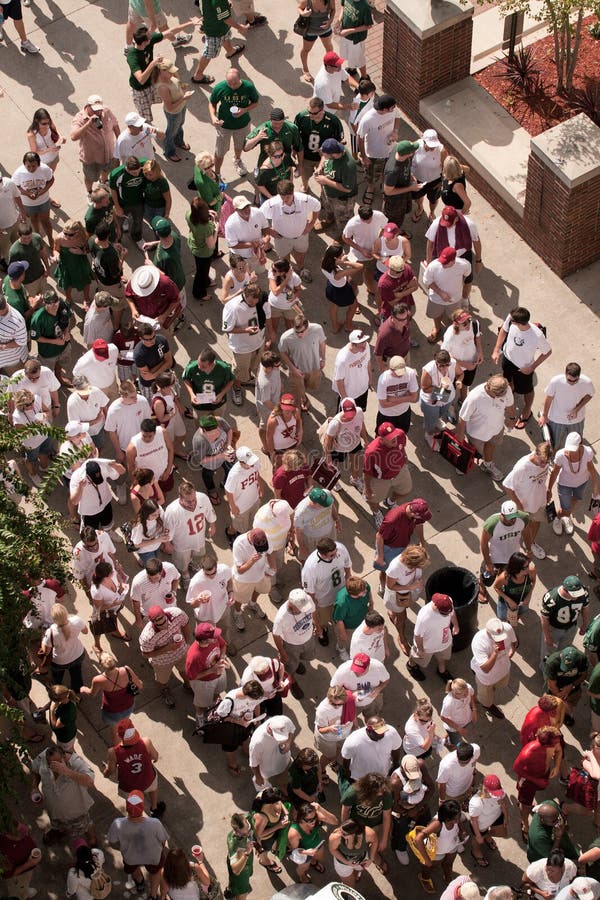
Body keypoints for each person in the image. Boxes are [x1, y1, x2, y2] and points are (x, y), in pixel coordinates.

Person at [127, 20, 199, 123]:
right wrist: (153, 63)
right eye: (149, 35)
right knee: (146, 118)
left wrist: (191, 23)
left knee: (170, 99)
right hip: (140, 90)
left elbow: (170, 32)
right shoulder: (132, 56)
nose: (151, 35)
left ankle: (171, 114)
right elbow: (141, 79)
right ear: (144, 42)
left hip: (152, 82)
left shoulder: (149, 41)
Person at [492, 305, 552, 429]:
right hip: (508, 360)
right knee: (508, 382)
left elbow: (548, 352)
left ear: (519, 323)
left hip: (524, 368)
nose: (509, 320)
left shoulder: (537, 335)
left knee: (527, 390)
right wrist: (496, 350)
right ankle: (510, 394)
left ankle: (527, 411)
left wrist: (532, 367)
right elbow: (503, 330)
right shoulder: (511, 318)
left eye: (512, 321)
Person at [30, 745, 96, 845]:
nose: (54, 767)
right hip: (54, 811)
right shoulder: (42, 758)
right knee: (57, 825)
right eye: (51, 764)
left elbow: (90, 782)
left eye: (58, 763)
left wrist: (67, 771)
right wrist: (35, 787)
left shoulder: (76, 762)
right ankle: (59, 832)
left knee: (85, 826)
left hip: (76, 813)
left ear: (64, 757)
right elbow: (35, 772)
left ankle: (92, 839)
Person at [108, 789, 169, 897]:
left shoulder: (117, 823)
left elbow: (112, 841)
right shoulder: (154, 823)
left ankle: (140, 883)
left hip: (131, 857)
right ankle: (153, 895)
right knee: (155, 871)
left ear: (127, 806)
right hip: (153, 857)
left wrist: (124, 848)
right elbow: (163, 840)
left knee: (133, 868)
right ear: (142, 808)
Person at [502, 441, 553, 560]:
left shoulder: (544, 461)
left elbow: (543, 477)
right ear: (535, 453)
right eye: (542, 462)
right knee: (525, 526)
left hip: (539, 500)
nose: (544, 465)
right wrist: (518, 505)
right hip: (525, 505)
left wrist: (547, 490)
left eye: (547, 462)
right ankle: (526, 543)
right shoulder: (522, 467)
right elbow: (507, 485)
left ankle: (530, 543)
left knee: (536, 523)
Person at [103, 718, 164, 817]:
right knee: (153, 789)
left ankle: (135, 815)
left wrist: (106, 773)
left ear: (119, 735)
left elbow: (111, 770)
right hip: (148, 778)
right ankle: (154, 808)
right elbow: (155, 756)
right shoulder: (146, 742)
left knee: (131, 801)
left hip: (129, 787)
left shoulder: (113, 752)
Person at [80, 652, 143, 744]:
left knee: (115, 732)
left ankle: (118, 750)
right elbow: (140, 685)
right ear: (113, 660)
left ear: (101, 664)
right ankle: (129, 742)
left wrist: (83, 689)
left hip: (112, 711)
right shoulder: (126, 670)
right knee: (125, 723)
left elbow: (92, 694)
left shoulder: (98, 680)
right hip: (128, 706)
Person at [262, 180, 320, 281]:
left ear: (293, 192)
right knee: (284, 258)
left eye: (287, 197)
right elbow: (259, 217)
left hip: (301, 236)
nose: (285, 200)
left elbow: (317, 206)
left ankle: (301, 269)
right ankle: (288, 272)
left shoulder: (304, 199)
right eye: (282, 197)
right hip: (281, 238)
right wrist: (270, 231)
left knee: (301, 254)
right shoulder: (271, 204)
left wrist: (311, 224)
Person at [163, 480, 217, 586]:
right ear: (180, 498)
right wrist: (167, 544)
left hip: (199, 538)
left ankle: (193, 564)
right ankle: (185, 574)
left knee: (199, 555)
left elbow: (209, 512)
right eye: (188, 501)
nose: (192, 503)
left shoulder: (203, 498)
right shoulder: (172, 511)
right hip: (181, 543)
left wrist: (212, 525)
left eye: (194, 499)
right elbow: (167, 531)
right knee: (182, 562)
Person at [222, 282, 268, 404]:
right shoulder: (233, 307)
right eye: (251, 301)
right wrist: (245, 330)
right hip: (242, 348)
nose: (254, 303)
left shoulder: (260, 300)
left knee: (254, 367)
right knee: (239, 371)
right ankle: (236, 387)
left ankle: (247, 379)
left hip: (258, 343)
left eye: (256, 300)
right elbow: (226, 328)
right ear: (245, 294)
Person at [514, 727, 564, 840]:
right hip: (528, 780)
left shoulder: (553, 741)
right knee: (525, 803)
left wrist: (556, 766)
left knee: (528, 800)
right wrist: (537, 781)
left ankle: (523, 802)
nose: (558, 743)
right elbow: (517, 768)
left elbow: (559, 750)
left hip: (542, 775)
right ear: (546, 745)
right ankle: (525, 824)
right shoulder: (529, 752)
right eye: (556, 742)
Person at [208, 67, 258, 178]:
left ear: (240, 79)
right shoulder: (220, 87)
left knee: (240, 145)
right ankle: (217, 173)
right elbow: (212, 103)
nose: (232, 86)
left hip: (242, 124)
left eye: (234, 83)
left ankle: (237, 159)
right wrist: (213, 116)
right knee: (219, 151)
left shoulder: (248, 87)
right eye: (229, 83)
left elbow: (255, 102)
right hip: (224, 125)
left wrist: (244, 110)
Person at [377, 501, 431, 602]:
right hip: (389, 548)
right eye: (421, 517)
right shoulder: (392, 519)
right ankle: (382, 586)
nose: (422, 520)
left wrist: (422, 540)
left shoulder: (416, 509)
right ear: (414, 514)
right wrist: (380, 556)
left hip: (404, 545)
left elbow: (419, 524)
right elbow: (379, 536)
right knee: (385, 571)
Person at [138, 604, 191, 707]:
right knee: (163, 680)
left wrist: (187, 642)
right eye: (159, 624)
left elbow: (185, 624)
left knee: (185, 671)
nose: (164, 626)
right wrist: (167, 648)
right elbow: (145, 654)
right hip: (162, 661)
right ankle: (165, 691)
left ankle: (188, 686)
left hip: (181, 653)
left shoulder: (177, 614)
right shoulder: (147, 636)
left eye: (164, 621)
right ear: (152, 622)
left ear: (165, 614)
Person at [425, 205, 482, 299]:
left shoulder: (469, 224)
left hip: (462, 254)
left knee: (468, 280)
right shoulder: (436, 223)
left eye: (449, 223)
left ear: (456, 219)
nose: (446, 226)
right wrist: (428, 261)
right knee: (438, 277)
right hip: (442, 254)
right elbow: (430, 243)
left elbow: (476, 242)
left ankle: (464, 299)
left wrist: (478, 261)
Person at [549, 432, 599, 535]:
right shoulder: (560, 455)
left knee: (575, 500)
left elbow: (591, 469)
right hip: (564, 485)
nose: (570, 452)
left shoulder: (588, 452)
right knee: (565, 508)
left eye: (573, 449)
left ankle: (566, 517)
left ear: (580, 445)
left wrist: (595, 487)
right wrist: (548, 489)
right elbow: (554, 472)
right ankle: (558, 518)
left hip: (581, 483)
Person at [479, 502, 531, 601]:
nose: (512, 520)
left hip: (512, 556)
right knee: (487, 579)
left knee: (506, 577)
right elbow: (483, 543)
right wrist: (488, 563)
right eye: (509, 517)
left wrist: (529, 549)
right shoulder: (492, 524)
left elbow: (526, 533)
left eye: (514, 517)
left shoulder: (523, 518)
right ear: (502, 514)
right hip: (495, 556)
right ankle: (481, 586)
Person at [272, 588, 317, 700]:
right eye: (300, 609)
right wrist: (282, 653)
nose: (304, 610)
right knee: (289, 667)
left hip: (309, 638)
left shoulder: (306, 600)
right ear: (291, 605)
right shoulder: (281, 617)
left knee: (305, 657)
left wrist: (318, 625)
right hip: (292, 645)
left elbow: (313, 611)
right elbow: (276, 634)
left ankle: (297, 664)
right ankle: (292, 681)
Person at [413, 800, 465, 894]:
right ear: (446, 818)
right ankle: (424, 877)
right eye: (455, 819)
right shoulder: (437, 824)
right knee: (431, 866)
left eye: (459, 816)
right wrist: (427, 860)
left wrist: (461, 831)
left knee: (449, 864)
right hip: (437, 851)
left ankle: (448, 878)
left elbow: (458, 823)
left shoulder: (456, 818)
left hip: (452, 846)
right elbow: (418, 839)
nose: (458, 821)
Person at [190, 0, 248, 86]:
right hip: (215, 30)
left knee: (225, 36)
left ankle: (230, 51)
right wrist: (240, 27)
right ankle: (198, 76)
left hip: (216, 24)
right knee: (208, 53)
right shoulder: (219, 1)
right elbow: (226, 18)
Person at [470, 617, 518, 719]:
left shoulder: (507, 628)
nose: (501, 639)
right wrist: (495, 653)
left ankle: (491, 692)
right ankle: (487, 705)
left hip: (504, 671)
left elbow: (514, 641)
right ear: (488, 632)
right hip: (486, 679)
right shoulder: (479, 642)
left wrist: (512, 650)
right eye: (497, 637)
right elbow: (485, 669)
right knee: (486, 699)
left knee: (501, 685)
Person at [185, 622, 229, 733]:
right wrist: (211, 670)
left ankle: (213, 708)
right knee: (201, 703)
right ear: (204, 641)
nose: (216, 636)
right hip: (203, 683)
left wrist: (221, 659)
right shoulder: (194, 656)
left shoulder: (214, 637)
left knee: (217, 693)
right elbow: (191, 676)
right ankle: (200, 718)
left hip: (219, 674)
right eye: (213, 636)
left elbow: (223, 645)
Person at [539, 362, 595, 450]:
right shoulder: (556, 381)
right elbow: (548, 398)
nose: (572, 383)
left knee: (576, 444)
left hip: (577, 420)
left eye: (575, 380)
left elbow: (590, 395)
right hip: (556, 420)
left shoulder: (587, 382)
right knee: (554, 444)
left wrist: (577, 409)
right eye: (569, 380)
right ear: (565, 374)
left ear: (579, 376)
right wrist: (544, 415)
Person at [363, 421, 411, 520]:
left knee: (406, 490)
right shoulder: (372, 452)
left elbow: (402, 446)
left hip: (400, 470)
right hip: (381, 479)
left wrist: (404, 455)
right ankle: (376, 513)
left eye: (394, 436)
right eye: (390, 439)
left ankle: (390, 502)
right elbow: (367, 473)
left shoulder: (400, 434)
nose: (394, 440)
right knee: (373, 500)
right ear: (381, 439)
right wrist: (368, 488)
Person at [294, 96, 344, 191]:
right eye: (309, 111)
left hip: (324, 157)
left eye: (314, 113)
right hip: (305, 155)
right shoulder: (301, 117)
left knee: (323, 178)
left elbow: (338, 140)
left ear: (322, 110)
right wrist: (295, 150)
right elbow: (295, 135)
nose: (310, 115)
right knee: (305, 175)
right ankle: (305, 186)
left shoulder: (333, 121)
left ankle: (323, 193)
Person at [540, 576, 590, 670]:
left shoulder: (583, 592)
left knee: (565, 650)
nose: (577, 596)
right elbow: (544, 618)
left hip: (571, 627)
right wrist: (547, 636)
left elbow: (585, 608)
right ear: (565, 589)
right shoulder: (552, 597)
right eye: (574, 594)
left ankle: (560, 666)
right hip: (554, 629)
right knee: (548, 653)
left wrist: (585, 624)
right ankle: (546, 672)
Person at [407, 592, 458, 683]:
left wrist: (456, 625)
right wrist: (420, 649)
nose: (447, 615)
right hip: (427, 647)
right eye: (444, 614)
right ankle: (411, 665)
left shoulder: (448, 602)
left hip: (444, 642)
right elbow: (418, 636)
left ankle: (442, 671)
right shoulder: (424, 617)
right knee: (417, 658)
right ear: (436, 606)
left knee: (442, 659)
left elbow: (452, 613)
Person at [279, 314, 326, 411]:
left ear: (307, 326)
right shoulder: (286, 337)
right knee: (298, 389)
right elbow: (282, 352)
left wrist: (323, 358)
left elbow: (322, 343)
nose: (299, 334)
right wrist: (293, 369)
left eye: (301, 332)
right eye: (296, 332)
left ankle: (304, 394)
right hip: (297, 370)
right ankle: (303, 399)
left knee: (311, 385)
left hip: (314, 367)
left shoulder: (317, 329)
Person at [420, 347, 463, 448]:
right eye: (441, 366)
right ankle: (429, 435)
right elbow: (424, 388)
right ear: (436, 362)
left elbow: (461, 374)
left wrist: (459, 381)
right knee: (430, 420)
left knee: (441, 413)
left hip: (447, 396)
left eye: (447, 365)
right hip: (431, 400)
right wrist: (439, 388)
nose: (444, 368)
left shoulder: (453, 363)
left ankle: (436, 420)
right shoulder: (429, 370)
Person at [41, 604, 88, 695]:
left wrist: (43, 641)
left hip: (59, 662)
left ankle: (59, 692)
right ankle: (77, 692)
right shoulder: (76, 620)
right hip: (78, 655)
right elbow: (85, 632)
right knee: (76, 675)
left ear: (54, 619)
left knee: (57, 677)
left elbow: (46, 652)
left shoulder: (50, 632)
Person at [342, 204, 388, 296]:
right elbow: (345, 238)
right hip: (357, 256)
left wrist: (377, 242)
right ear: (360, 217)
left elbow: (385, 228)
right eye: (365, 220)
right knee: (353, 280)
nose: (368, 221)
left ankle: (371, 289)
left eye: (370, 218)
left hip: (374, 253)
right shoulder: (352, 223)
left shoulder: (379, 215)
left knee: (371, 274)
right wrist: (362, 250)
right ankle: (354, 301)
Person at [314, 138, 358, 235]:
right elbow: (324, 157)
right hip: (329, 192)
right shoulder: (334, 151)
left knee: (344, 219)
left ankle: (345, 236)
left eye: (325, 154)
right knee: (328, 207)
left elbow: (347, 188)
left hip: (343, 199)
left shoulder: (348, 166)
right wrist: (320, 167)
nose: (323, 155)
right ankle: (330, 220)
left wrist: (325, 180)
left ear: (333, 154)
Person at [287, 801, 338, 882]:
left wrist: (320, 809)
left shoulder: (315, 817)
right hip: (305, 852)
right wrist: (306, 852)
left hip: (317, 844)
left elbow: (335, 821)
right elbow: (295, 851)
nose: (313, 821)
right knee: (303, 867)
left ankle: (313, 862)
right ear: (301, 819)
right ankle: (302, 876)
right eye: (309, 820)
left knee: (319, 857)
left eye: (314, 818)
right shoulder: (294, 833)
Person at [152, 60, 192, 162]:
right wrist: (184, 98)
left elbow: (178, 81)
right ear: (161, 71)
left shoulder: (169, 77)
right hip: (174, 112)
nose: (172, 73)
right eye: (170, 71)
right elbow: (169, 107)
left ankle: (179, 142)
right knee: (171, 132)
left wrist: (182, 86)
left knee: (180, 124)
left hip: (181, 107)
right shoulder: (163, 87)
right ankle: (169, 152)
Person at [191, 414, 235, 503]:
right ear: (203, 430)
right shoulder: (199, 441)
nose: (216, 435)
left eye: (217, 430)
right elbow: (201, 460)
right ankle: (211, 491)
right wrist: (220, 456)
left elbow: (229, 430)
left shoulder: (220, 421)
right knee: (208, 475)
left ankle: (225, 483)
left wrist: (229, 445)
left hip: (224, 454)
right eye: (212, 433)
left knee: (231, 470)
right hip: (210, 464)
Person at [12, 152, 54, 246]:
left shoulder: (44, 169)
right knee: (33, 220)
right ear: (24, 164)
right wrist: (27, 194)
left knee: (45, 221)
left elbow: (51, 180)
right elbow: (16, 186)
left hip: (43, 201)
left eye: (34, 166)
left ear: (38, 164)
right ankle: (38, 237)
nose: (31, 169)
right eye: (28, 166)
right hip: (28, 204)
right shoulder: (18, 173)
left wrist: (42, 192)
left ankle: (51, 239)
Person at [341, 716, 401, 781]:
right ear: (368, 730)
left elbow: (396, 748)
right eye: (378, 733)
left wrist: (395, 764)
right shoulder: (353, 741)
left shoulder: (391, 732)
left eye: (383, 731)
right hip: (361, 777)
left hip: (384, 773)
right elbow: (346, 758)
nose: (382, 734)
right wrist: (347, 772)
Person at [331, 652, 389, 718]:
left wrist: (378, 689)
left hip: (373, 701)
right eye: (355, 669)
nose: (357, 673)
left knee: (372, 719)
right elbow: (333, 690)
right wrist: (351, 694)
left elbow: (386, 680)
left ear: (368, 666)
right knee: (348, 722)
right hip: (351, 704)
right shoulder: (343, 670)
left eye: (361, 671)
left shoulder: (378, 667)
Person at [441, 308, 483, 401]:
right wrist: (465, 365)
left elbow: (477, 337)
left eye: (468, 320)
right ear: (456, 324)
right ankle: (448, 407)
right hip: (456, 368)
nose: (468, 325)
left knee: (466, 384)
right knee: (449, 390)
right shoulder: (450, 336)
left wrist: (480, 352)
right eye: (464, 323)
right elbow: (445, 356)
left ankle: (463, 399)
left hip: (472, 363)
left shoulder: (475, 324)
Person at [320, 241, 362, 334]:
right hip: (342, 291)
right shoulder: (338, 273)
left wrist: (339, 258)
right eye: (342, 253)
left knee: (334, 307)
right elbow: (359, 266)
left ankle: (335, 327)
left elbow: (332, 245)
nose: (344, 253)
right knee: (353, 306)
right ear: (336, 258)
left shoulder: (324, 261)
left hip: (331, 287)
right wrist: (344, 261)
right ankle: (348, 326)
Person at [544, 645, 589, 726]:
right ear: (561, 655)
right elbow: (551, 685)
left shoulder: (582, 659)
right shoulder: (552, 662)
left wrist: (571, 685)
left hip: (573, 689)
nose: (567, 669)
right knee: (554, 706)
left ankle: (566, 715)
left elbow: (584, 675)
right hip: (556, 690)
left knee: (570, 704)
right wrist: (560, 696)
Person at [126, 266, 181, 331]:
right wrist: (133, 310)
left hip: (162, 319)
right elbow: (128, 296)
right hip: (144, 319)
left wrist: (164, 316)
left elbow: (176, 300)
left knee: (167, 332)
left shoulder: (166, 283)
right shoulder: (133, 283)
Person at [295, 488, 341, 565]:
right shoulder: (301, 512)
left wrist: (337, 519)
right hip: (313, 540)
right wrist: (302, 547)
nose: (326, 505)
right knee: (309, 557)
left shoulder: (326, 494)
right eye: (323, 504)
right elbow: (298, 531)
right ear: (314, 503)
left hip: (329, 533)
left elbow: (332, 506)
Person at [249, 717, 296, 793]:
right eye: (278, 736)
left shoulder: (284, 720)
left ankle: (283, 787)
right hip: (268, 770)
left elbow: (291, 730)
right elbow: (253, 763)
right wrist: (258, 777)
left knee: (284, 780)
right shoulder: (257, 742)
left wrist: (288, 743)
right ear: (269, 729)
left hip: (284, 761)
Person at [109, 155, 146, 249]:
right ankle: (118, 241)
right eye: (134, 172)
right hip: (122, 204)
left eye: (138, 171)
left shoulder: (144, 164)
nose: (137, 174)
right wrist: (117, 207)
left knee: (138, 221)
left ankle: (137, 238)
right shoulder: (116, 174)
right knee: (117, 224)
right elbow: (113, 191)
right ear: (127, 169)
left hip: (138, 201)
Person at [183, 348, 234, 414]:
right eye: (198, 363)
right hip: (199, 404)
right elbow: (186, 379)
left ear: (212, 364)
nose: (199, 368)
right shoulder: (192, 367)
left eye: (203, 366)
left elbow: (231, 380)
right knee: (200, 422)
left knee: (218, 422)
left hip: (218, 403)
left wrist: (222, 394)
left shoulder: (224, 369)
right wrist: (192, 394)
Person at [328, 819, 378, 888]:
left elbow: (375, 842)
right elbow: (333, 850)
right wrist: (346, 862)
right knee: (350, 886)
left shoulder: (368, 833)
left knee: (358, 870)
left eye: (344, 833)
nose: (340, 833)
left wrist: (371, 859)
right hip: (343, 864)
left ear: (355, 834)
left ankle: (355, 874)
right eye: (340, 829)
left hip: (361, 859)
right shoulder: (336, 836)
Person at [382, 139, 420, 227]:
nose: (414, 151)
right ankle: (395, 234)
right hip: (395, 201)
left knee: (404, 211)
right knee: (394, 222)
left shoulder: (398, 149)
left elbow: (406, 167)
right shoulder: (392, 171)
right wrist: (411, 188)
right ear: (408, 154)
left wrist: (411, 176)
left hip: (404, 193)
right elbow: (388, 191)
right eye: (413, 150)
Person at [332, 328, 373, 411]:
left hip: (363, 389)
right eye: (361, 344)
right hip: (349, 394)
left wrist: (370, 379)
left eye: (365, 341)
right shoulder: (343, 359)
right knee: (343, 418)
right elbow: (339, 380)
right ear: (353, 344)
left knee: (359, 412)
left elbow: (368, 362)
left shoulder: (366, 346)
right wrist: (345, 399)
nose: (364, 346)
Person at [0, 818, 41, 899]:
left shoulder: (19, 830)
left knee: (24, 884)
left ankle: (24, 890)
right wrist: (29, 864)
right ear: (8, 834)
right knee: (17, 891)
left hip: (27, 871)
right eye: (21, 834)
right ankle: (22, 895)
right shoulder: (3, 852)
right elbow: (7, 875)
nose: (25, 833)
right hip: (18, 877)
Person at [185, 198, 218, 301]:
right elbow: (211, 245)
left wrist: (207, 212)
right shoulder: (206, 227)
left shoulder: (189, 214)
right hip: (203, 253)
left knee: (202, 269)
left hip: (194, 244)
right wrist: (216, 230)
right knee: (201, 272)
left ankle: (206, 281)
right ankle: (199, 293)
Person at [332, 576, 372, 660]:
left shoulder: (364, 586)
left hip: (362, 620)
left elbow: (369, 595)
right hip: (349, 627)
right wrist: (344, 635)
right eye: (363, 591)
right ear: (353, 594)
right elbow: (339, 621)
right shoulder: (342, 603)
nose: (366, 591)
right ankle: (341, 649)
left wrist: (371, 606)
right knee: (344, 641)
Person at [411, 128, 446, 223]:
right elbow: (408, 159)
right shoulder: (415, 146)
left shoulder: (442, 150)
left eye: (433, 146)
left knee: (433, 200)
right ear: (423, 141)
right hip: (418, 179)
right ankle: (420, 208)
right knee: (418, 197)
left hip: (434, 181)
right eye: (430, 146)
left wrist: (442, 182)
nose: (432, 148)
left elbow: (445, 167)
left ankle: (432, 212)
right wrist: (410, 175)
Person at [492, 551, 536, 624]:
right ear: (516, 568)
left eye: (528, 565)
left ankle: (515, 619)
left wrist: (529, 595)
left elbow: (533, 582)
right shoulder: (505, 577)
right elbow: (496, 587)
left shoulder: (531, 571)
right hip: (506, 602)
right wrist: (509, 600)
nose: (528, 569)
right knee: (502, 617)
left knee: (521, 611)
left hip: (523, 601)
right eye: (524, 568)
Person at [265, 394, 303, 467]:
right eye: (285, 408)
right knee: (279, 467)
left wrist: (300, 432)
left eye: (290, 408)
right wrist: (272, 452)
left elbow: (299, 421)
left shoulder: (296, 412)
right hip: (279, 449)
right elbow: (269, 437)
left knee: (291, 464)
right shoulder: (274, 420)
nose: (288, 411)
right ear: (281, 406)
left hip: (292, 444)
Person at [376, 258, 417, 324]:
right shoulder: (384, 283)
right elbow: (392, 303)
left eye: (402, 270)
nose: (401, 273)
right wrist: (408, 288)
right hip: (391, 311)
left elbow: (415, 287)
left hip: (407, 303)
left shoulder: (406, 268)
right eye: (398, 272)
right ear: (390, 268)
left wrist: (401, 294)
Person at [441, 677, 477, 747]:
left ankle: (448, 736)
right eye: (463, 694)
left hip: (466, 720)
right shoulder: (449, 703)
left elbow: (471, 696)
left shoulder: (468, 687)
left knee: (455, 734)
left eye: (466, 691)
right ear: (455, 693)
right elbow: (443, 717)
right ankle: (447, 743)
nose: (466, 694)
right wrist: (459, 729)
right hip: (454, 727)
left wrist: (474, 709)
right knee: (454, 741)